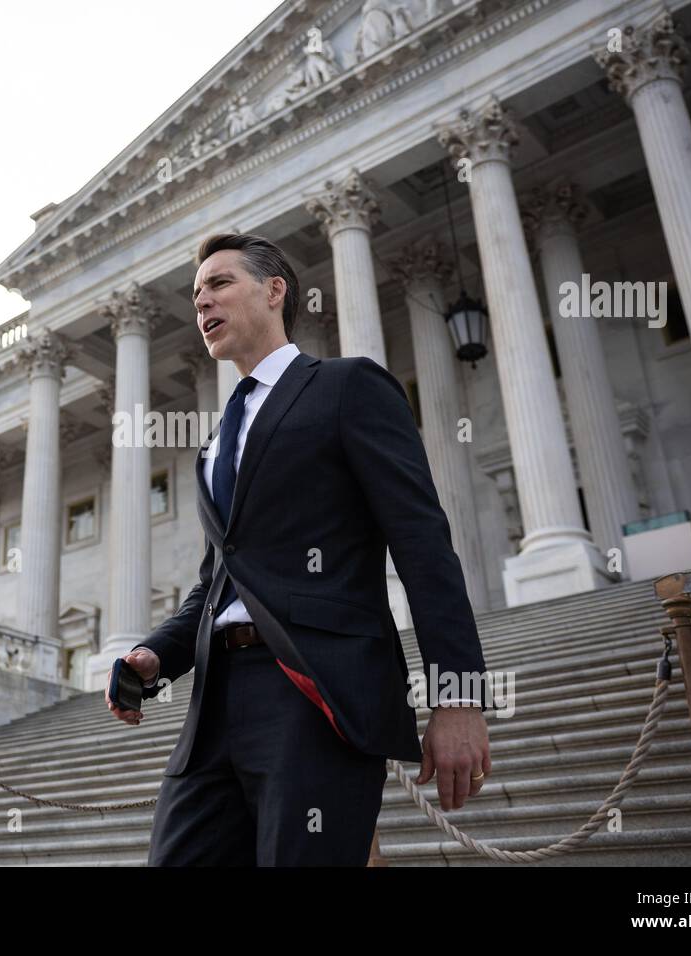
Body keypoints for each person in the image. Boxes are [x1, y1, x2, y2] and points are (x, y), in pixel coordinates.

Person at [105, 233, 492, 866]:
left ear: (275, 290)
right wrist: (155, 655)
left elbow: (423, 546)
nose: (202, 300)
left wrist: (457, 697)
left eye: (220, 283)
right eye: (196, 292)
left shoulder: (347, 387)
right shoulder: (214, 445)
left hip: (314, 694)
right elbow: (218, 585)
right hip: (214, 708)